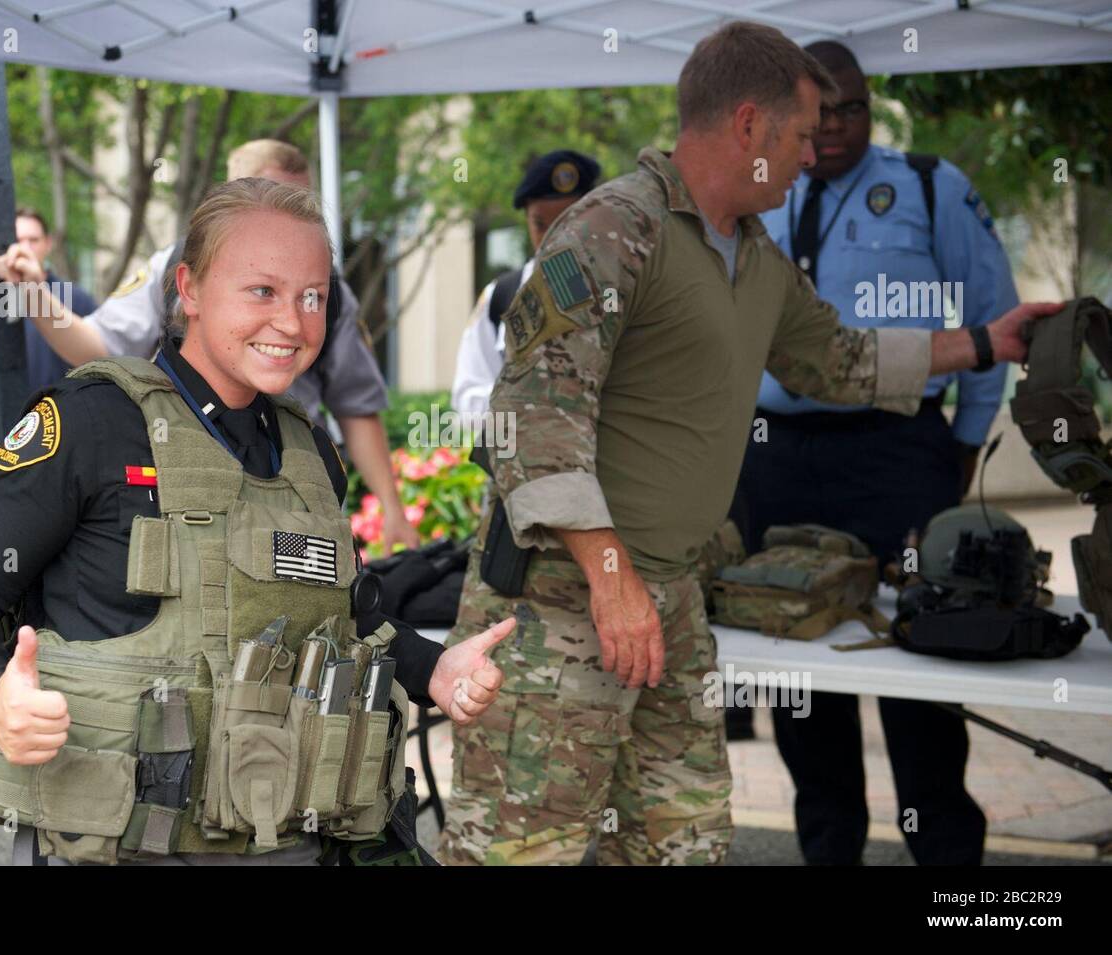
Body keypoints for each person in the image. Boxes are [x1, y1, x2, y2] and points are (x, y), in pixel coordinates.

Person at [436, 20, 1059, 867]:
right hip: (561, 599)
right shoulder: (617, 228)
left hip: (670, 599)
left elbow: (841, 358)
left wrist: (989, 342)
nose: (812, 155)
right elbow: (531, 419)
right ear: (748, 127)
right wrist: (614, 579)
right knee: (523, 847)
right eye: (802, 134)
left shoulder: (757, 259)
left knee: (680, 842)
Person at [0, 177, 515, 865]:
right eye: (262, 290)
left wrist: (433, 668)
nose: (292, 321)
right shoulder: (94, 425)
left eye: (312, 296)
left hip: (290, 836)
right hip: (127, 845)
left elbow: (336, 615)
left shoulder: (311, 451)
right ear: (189, 290)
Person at [735, 41, 1018, 866]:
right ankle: (829, 847)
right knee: (796, 668)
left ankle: (950, 867)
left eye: (847, 109)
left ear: (869, 104)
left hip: (899, 454)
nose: (829, 130)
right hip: (779, 460)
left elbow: (993, 325)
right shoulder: (759, 199)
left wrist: (962, 448)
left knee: (924, 660)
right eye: (812, 116)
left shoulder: (933, 189)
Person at [0, 139, 420, 552]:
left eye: (298, 200)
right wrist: (34, 292)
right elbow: (97, 345)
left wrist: (392, 507)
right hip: (178, 476)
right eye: (265, 193)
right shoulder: (175, 265)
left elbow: (356, 404)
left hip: (288, 481)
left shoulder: (328, 291)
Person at [451, 149, 600, 419]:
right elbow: (467, 397)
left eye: (566, 222)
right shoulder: (502, 296)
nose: (552, 237)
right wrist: (525, 398)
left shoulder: (618, 288)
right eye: (541, 224)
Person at [15, 208, 98, 394]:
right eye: (18, 240)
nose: (25, 248)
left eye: (33, 240)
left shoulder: (77, 299)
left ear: (48, 243)